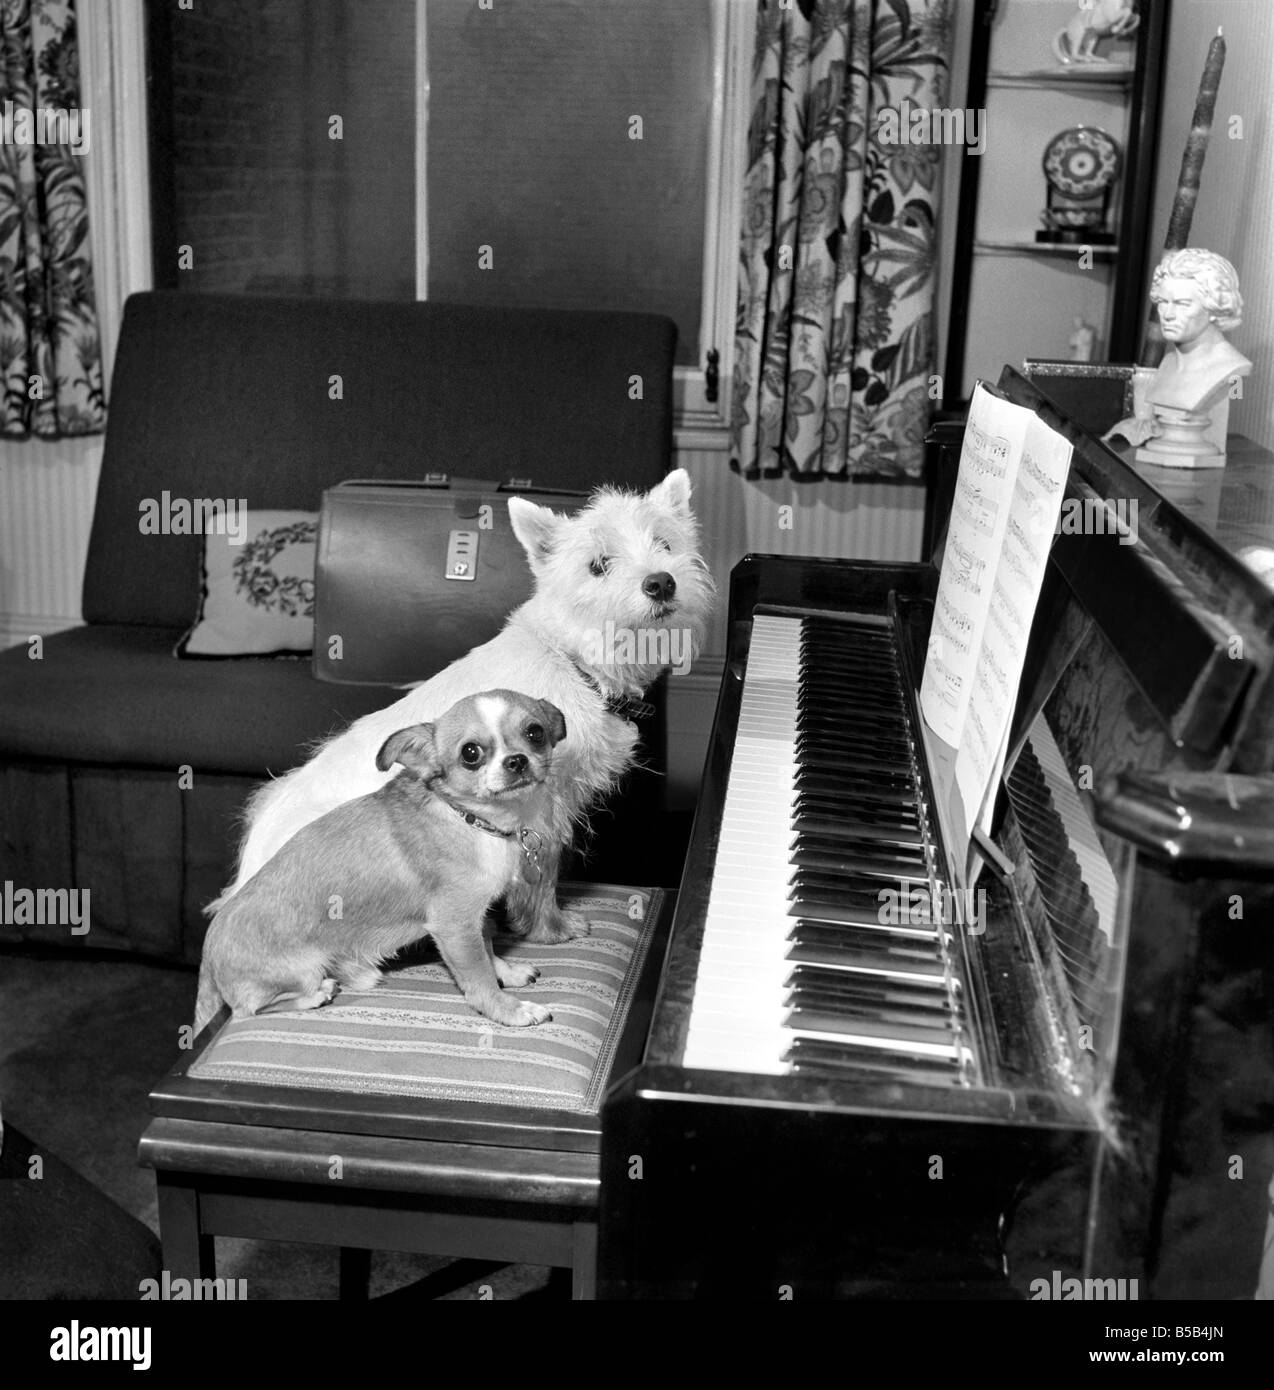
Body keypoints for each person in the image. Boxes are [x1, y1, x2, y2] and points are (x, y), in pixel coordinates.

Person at [1145, 248, 1251, 413]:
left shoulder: (1231, 368)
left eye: (1182, 304)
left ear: (1214, 307)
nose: (1168, 314)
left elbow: (1236, 392)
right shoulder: (1167, 363)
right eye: (1163, 302)